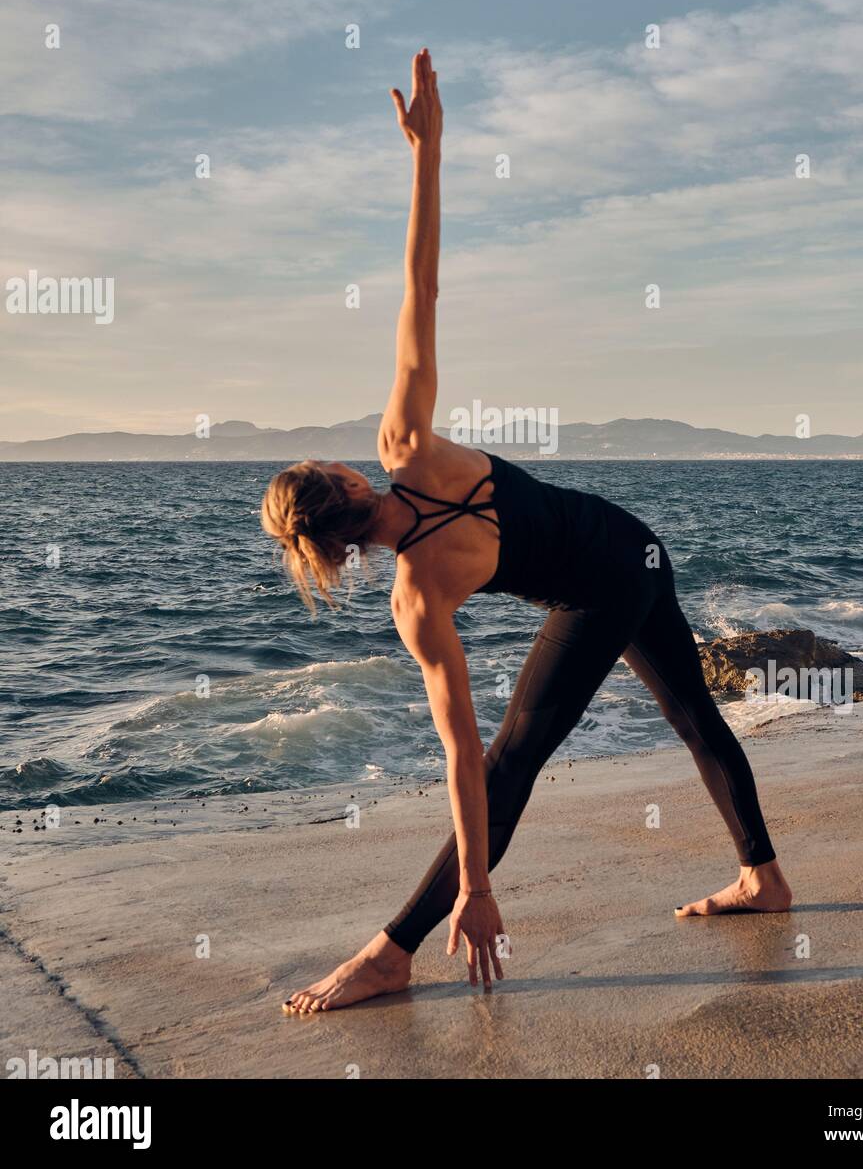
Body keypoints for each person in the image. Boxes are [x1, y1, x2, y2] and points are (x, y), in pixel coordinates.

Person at [261, 49, 791, 1013]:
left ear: (330, 549)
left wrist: (476, 886)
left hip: (611, 579)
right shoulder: (408, 445)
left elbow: (468, 758)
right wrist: (427, 153)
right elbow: (419, 295)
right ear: (343, 477)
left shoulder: (416, 599)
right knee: (689, 714)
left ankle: (391, 950)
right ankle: (762, 876)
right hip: (633, 542)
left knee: (516, 754)